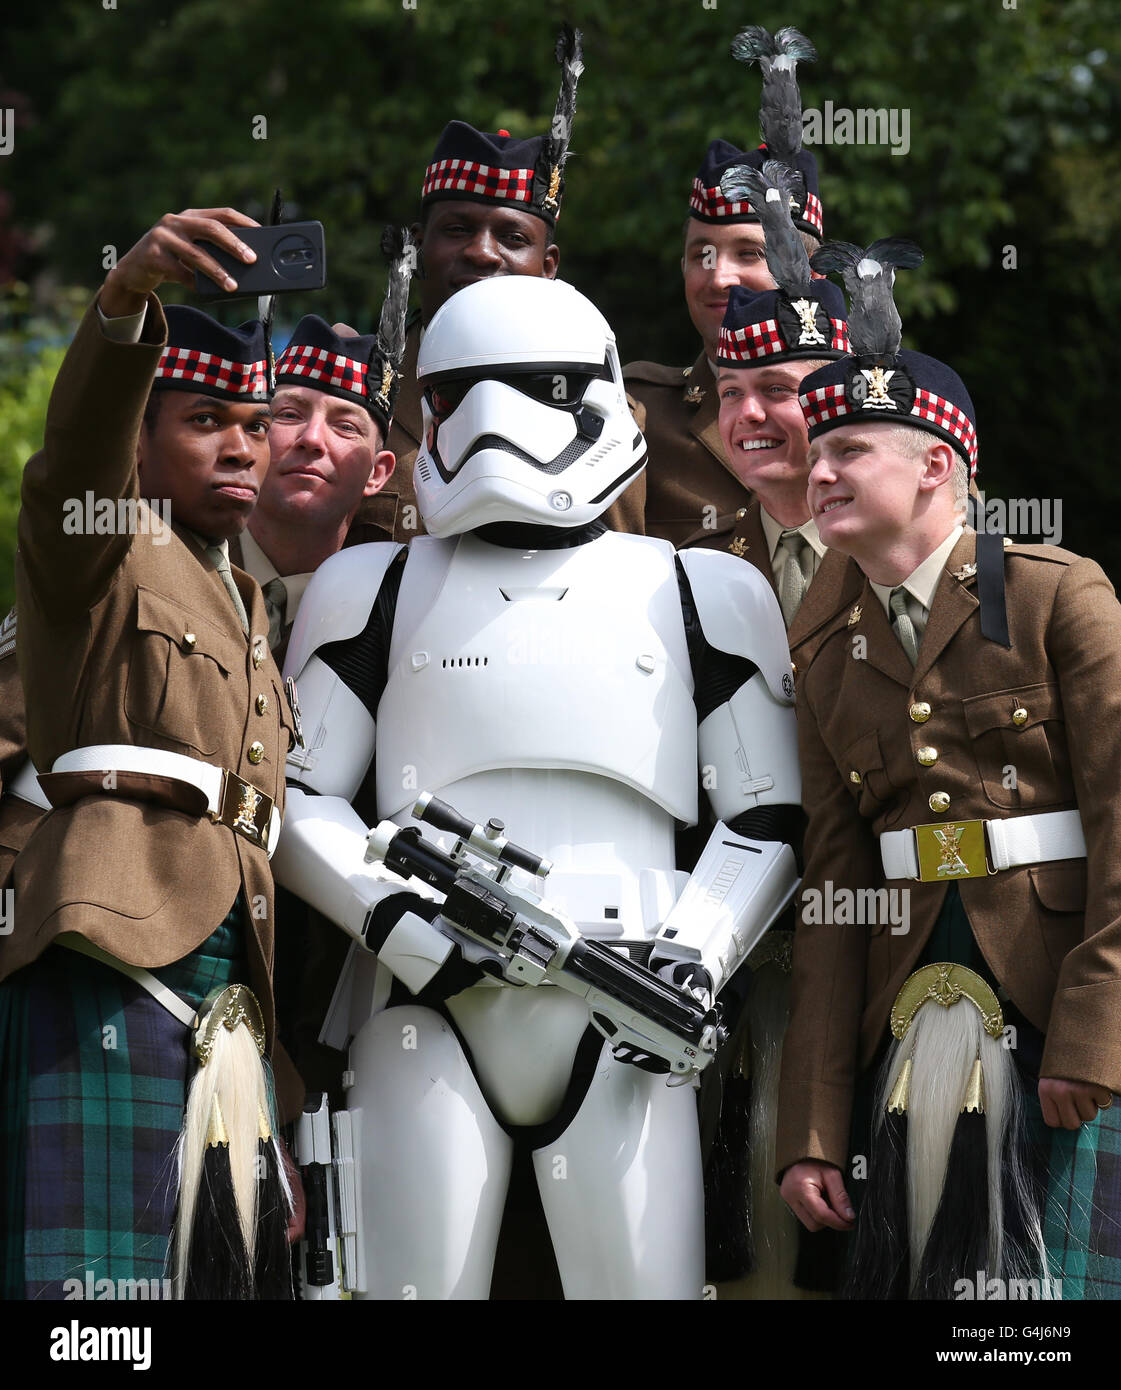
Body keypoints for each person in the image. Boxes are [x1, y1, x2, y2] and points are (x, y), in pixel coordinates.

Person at [273, 273, 802, 1298]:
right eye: (453, 394)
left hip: (629, 1000)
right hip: (421, 1004)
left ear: (593, 392)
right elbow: (297, 801)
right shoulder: (369, 585)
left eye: (529, 386)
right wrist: (404, 927)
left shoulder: (700, 588)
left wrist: (695, 953)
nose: (485, 424)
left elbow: (767, 816)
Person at [776, 241, 1121, 1300]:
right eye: (813, 451)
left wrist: (1096, 1031)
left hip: (1057, 1018)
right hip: (902, 1027)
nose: (817, 470)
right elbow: (832, 894)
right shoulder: (822, 642)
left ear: (935, 462)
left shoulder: (1060, 594)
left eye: (848, 449)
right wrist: (813, 1127)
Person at [0, 207, 301, 1300]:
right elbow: (72, 446)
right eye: (207, 420)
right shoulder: (100, 539)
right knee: (96, 1297)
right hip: (111, 948)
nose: (242, 445)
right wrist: (125, 305)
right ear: (139, 440)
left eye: (257, 424)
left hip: (232, 971)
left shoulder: (248, 596)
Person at [626, 25, 825, 546]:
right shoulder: (634, 416)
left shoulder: (885, 404)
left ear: (813, 272)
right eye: (701, 255)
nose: (719, 277)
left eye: (751, 253)